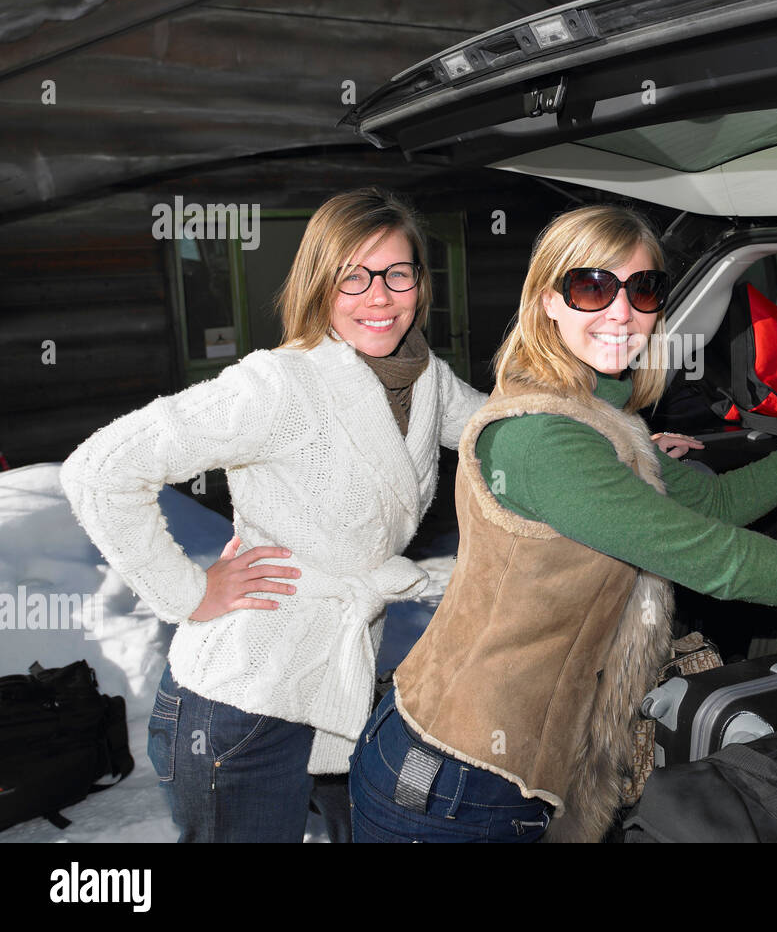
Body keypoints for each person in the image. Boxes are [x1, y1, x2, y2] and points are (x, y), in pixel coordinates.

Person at [348, 204, 777, 843]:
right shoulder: (542, 439)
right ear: (547, 303)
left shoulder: (603, 418)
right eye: (592, 287)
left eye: (641, 289)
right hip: (455, 777)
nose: (621, 312)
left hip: (502, 773)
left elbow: (713, 508)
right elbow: (710, 555)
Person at [60, 187, 489, 842]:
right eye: (354, 275)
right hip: (238, 704)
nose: (379, 295)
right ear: (321, 283)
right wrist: (188, 591)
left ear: (420, 284)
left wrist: (612, 440)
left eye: (397, 273)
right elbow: (100, 467)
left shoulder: (424, 377)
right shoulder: (279, 387)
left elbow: (500, 430)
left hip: (334, 686)